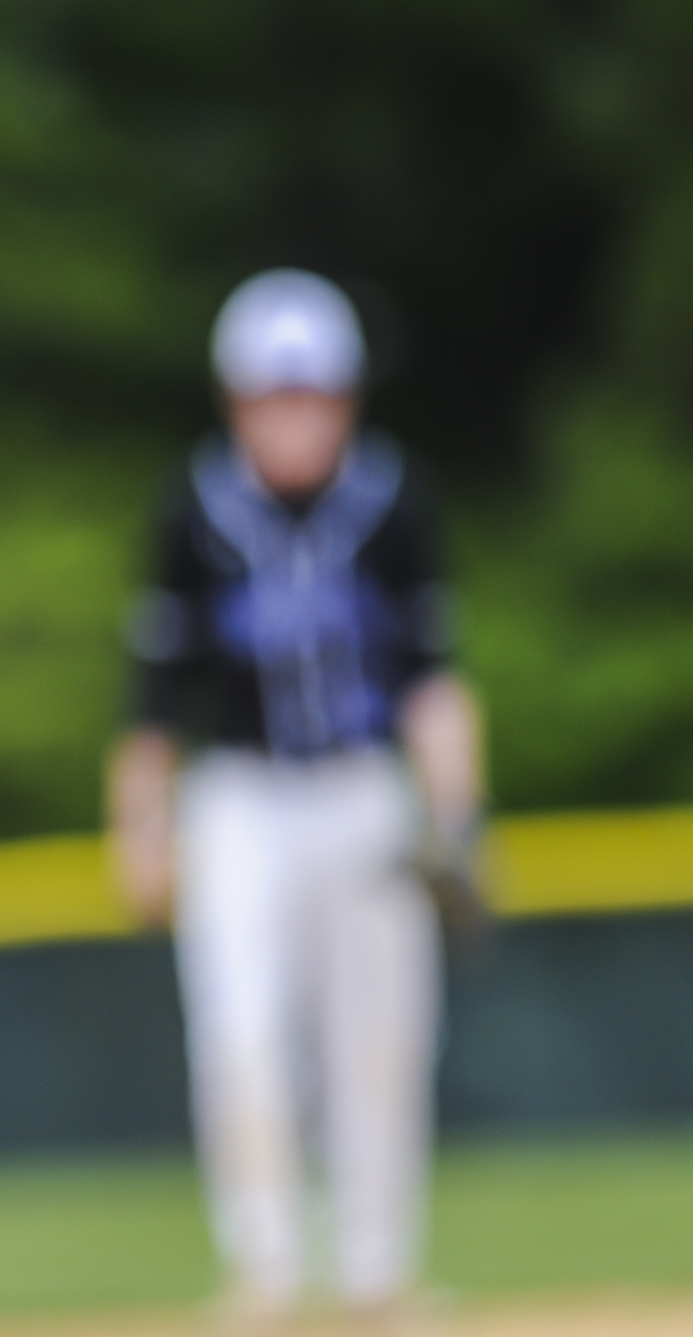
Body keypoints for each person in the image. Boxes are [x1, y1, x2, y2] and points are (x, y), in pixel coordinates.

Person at [105, 269, 485, 1324]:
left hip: (365, 790)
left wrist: (456, 815)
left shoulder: (394, 498)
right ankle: (266, 1268)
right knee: (239, 1030)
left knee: (383, 1035)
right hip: (239, 799)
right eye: (275, 396)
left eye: (312, 394)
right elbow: (152, 696)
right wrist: (141, 829)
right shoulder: (195, 506)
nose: (295, 417)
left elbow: (433, 679)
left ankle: (376, 1270)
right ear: (238, 402)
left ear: (347, 397)